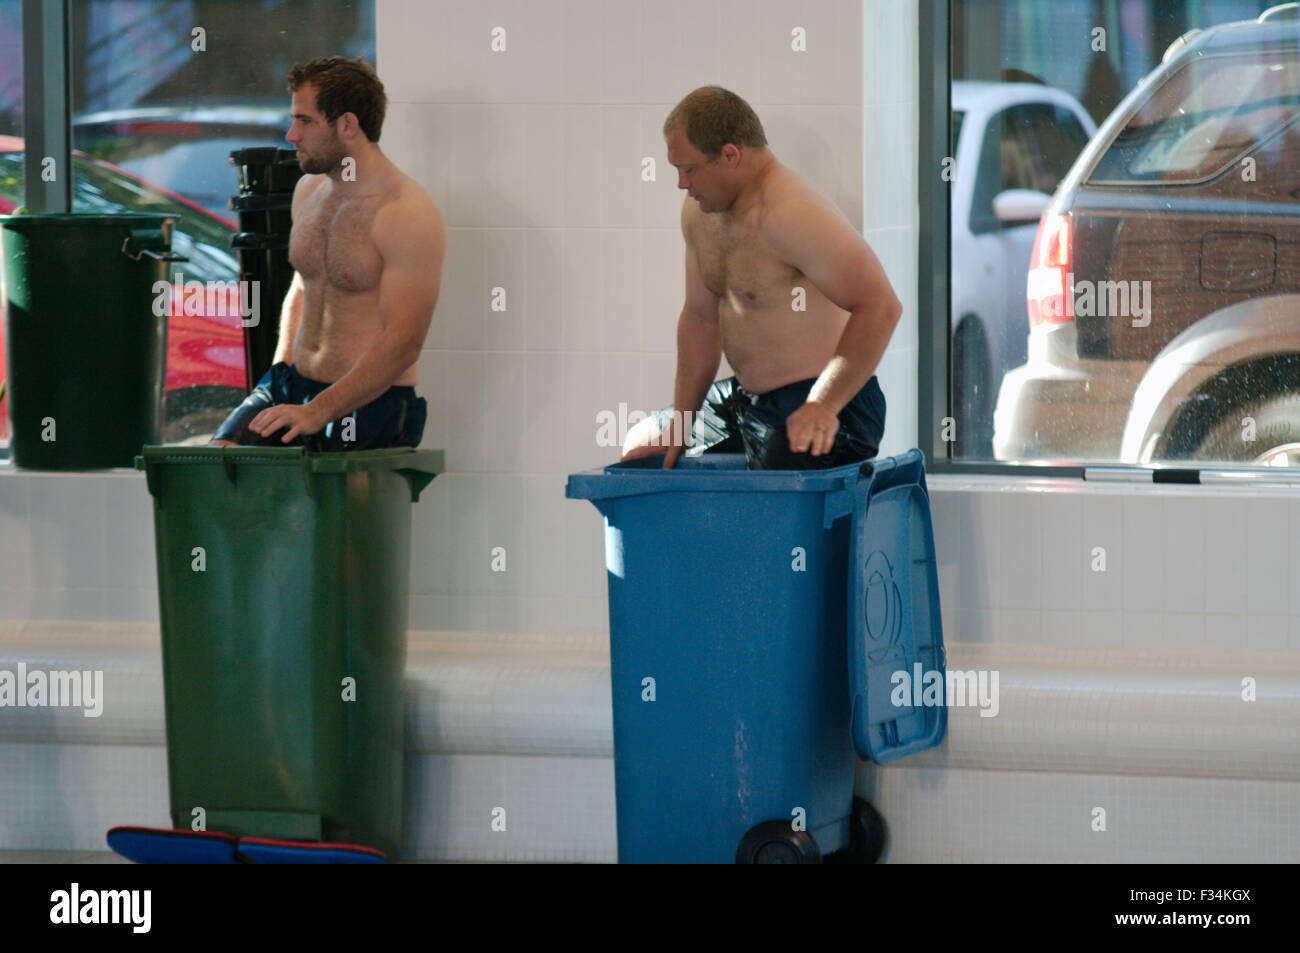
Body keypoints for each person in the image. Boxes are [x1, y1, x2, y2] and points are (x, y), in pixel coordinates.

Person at [621, 86, 901, 469]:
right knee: (643, 447)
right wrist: (681, 425)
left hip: (829, 402)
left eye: (689, 170)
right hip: (745, 400)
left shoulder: (791, 213)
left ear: (730, 155)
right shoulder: (700, 215)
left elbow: (881, 306)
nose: (682, 185)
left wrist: (823, 403)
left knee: (777, 462)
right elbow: (701, 320)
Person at [210, 56, 446, 450]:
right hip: (293, 384)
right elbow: (303, 287)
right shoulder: (309, 191)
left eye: (304, 121)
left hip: (371, 402)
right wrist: (279, 371)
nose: (291, 135)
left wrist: (318, 411)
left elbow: (405, 340)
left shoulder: (404, 212)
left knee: (314, 504)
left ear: (348, 125)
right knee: (216, 469)